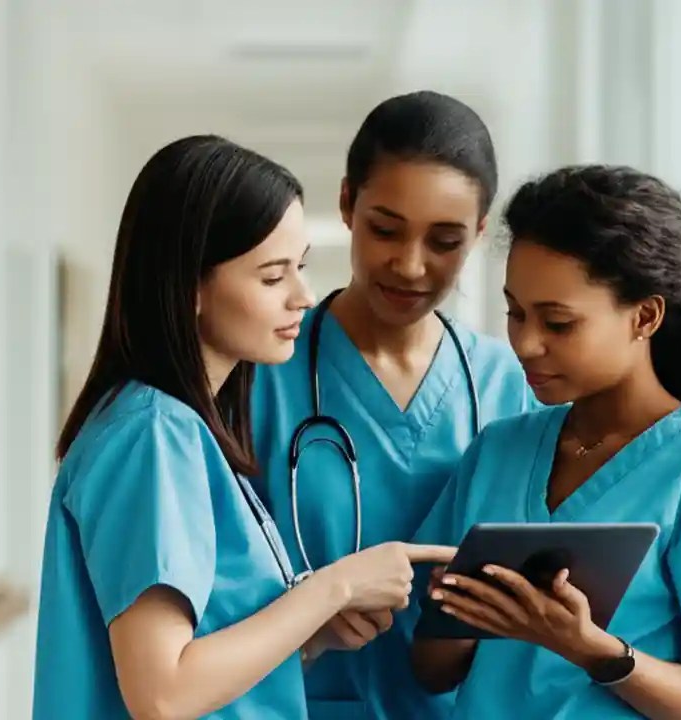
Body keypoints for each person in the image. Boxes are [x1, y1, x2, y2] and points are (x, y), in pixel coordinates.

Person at [32, 135, 453, 720]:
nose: (304, 297)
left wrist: (313, 634)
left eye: (300, 268)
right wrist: (333, 588)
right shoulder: (151, 434)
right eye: (273, 276)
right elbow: (162, 694)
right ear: (191, 288)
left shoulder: (183, 432)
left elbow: (206, 661)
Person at [409, 165, 681, 719]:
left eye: (558, 323)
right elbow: (430, 671)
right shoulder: (498, 452)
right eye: (516, 313)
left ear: (645, 316)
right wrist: (463, 615)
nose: (527, 344)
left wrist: (589, 648)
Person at [249, 91, 535, 718]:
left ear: (480, 234)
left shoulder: (509, 384)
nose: (410, 266)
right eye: (386, 228)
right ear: (347, 203)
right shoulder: (263, 374)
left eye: (445, 241)